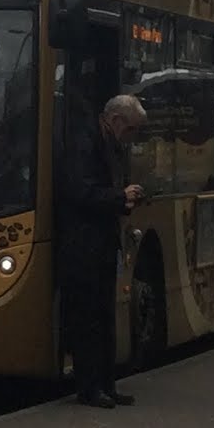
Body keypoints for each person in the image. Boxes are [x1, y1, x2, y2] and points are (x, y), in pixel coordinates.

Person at [57, 93, 148, 409]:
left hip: (102, 242)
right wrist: (119, 197)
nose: (132, 137)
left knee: (105, 316)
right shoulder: (84, 143)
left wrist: (124, 199)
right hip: (83, 244)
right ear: (116, 120)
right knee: (88, 319)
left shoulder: (108, 143)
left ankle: (107, 384)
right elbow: (79, 191)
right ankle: (90, 387)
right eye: (132, 129)